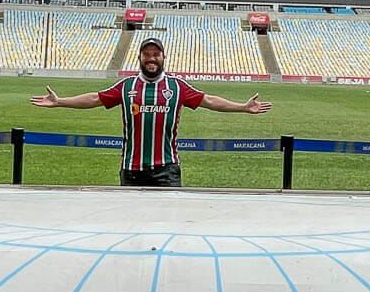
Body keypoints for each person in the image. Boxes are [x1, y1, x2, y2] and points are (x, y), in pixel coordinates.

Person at [31, 37, 271, 187]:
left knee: (167, 229)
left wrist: (242, 107)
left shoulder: (176, 86)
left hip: (167, 170)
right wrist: (60, 101)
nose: (151, 59)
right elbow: (95, 98)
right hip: (131, 170)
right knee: (131, 229)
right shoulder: (127, 86)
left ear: (163, 57)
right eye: (147, 55)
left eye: (156, 54)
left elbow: (208, 100)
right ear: (140, 58)